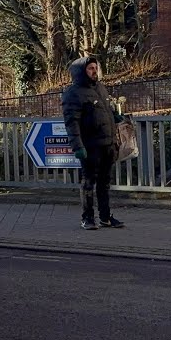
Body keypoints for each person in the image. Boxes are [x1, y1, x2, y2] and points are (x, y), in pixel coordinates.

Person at [61, 55, 125, 230]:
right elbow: (71, 123)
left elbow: (105, 111)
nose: (94, 71)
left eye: (95, 68)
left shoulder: (100, 89)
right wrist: (78, 147)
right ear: (81, 72)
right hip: (90, 146)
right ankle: (87, 218)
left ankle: (105, 217)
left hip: (107, 144)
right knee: (88, 182)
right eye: (90, 68)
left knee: (104, 183)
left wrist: (115, 117)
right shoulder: (73, 93)